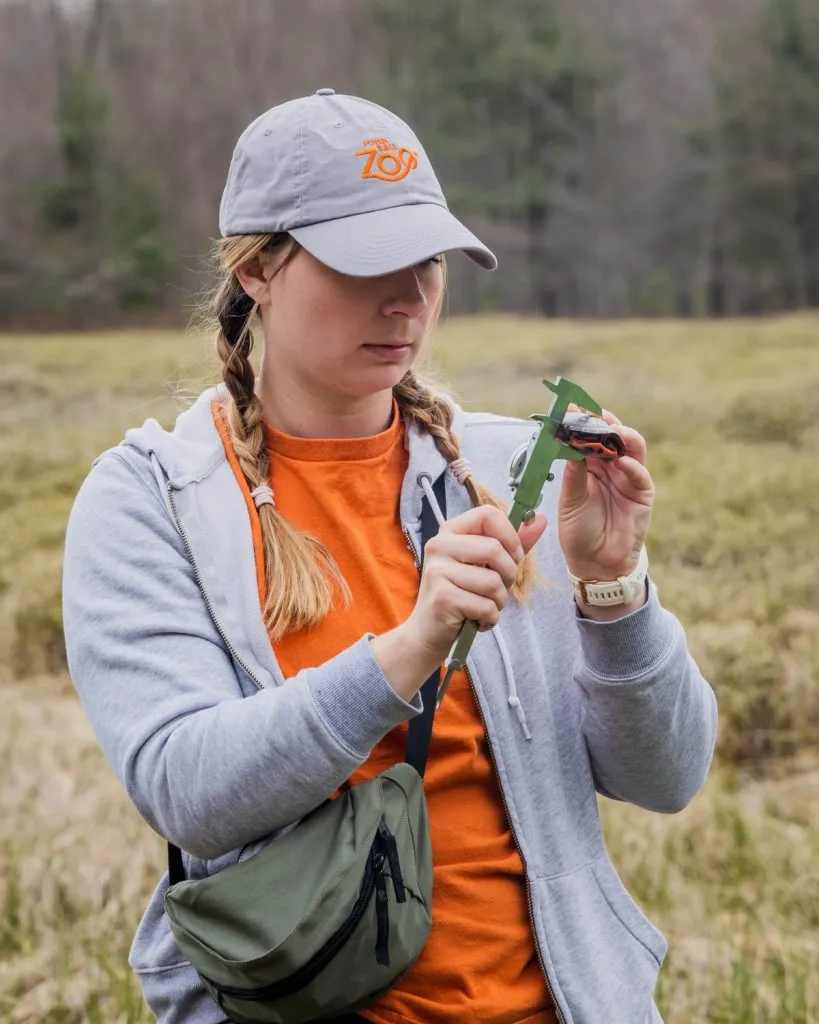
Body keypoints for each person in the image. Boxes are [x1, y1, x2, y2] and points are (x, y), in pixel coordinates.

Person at [62, 90, 718, 1024]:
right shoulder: (151, 502)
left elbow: (671, 775)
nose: (408, 297)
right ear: (256, 268)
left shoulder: (507, 471)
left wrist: (615, 593)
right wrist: (406, 648)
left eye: (429, 260)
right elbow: (189, 791)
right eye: (365, 263)